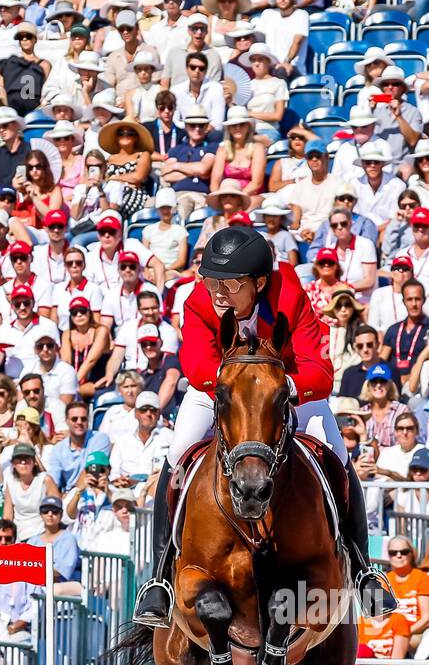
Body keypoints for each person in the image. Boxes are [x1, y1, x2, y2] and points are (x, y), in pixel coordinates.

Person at [133, 225, 394, 626]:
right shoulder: (198, 301)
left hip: (288, 388)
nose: (217, 292)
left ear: (258, 283)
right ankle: (159, 581)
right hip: (221, 390)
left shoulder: (289, 291)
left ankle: (362, 571)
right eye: (212, 281)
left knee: (338, 458)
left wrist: (280, 386)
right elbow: (197, 365)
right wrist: (239, 388)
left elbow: (319, 369)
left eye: (230, 284)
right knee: (177, 450)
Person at [385, 538, 429, 650]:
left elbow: (427, 619)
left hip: (416, 632)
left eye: (404, 552)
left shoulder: (423, 578)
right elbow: (375, 617)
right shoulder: (383, 581)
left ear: (412, 553)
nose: (399, 556)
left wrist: (403, 633)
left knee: (400, 644)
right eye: (393, 553)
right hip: (390, 632)